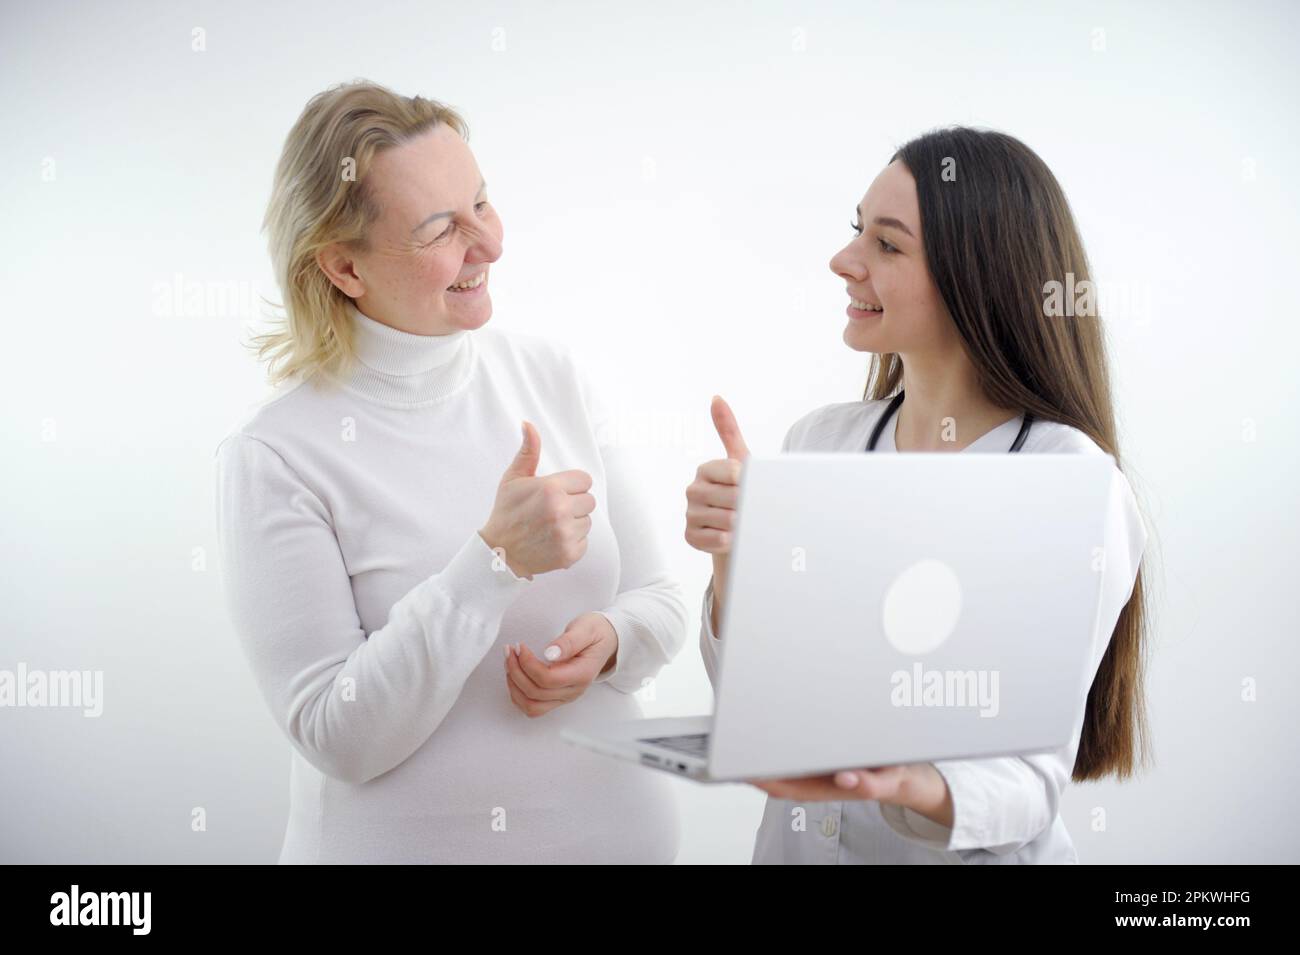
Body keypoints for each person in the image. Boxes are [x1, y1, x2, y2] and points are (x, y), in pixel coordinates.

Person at [215, 80, 686, 863]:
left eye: (483, 203)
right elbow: (340, 735)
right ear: (343, 267)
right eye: (441, 228)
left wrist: (610, 638)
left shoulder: (550, 373)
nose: (490, 244)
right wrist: (493, 562)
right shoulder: (276, 455)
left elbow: (660, 601)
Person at [685, 126, 1152, 864]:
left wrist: (907, 780)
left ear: (980, 276)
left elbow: (1028, 784)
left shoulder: (1072, 483)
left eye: (887, 245)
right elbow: (752, 700)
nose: (844, 262)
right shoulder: (819, 443)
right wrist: (732, 557)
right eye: (855, 233)